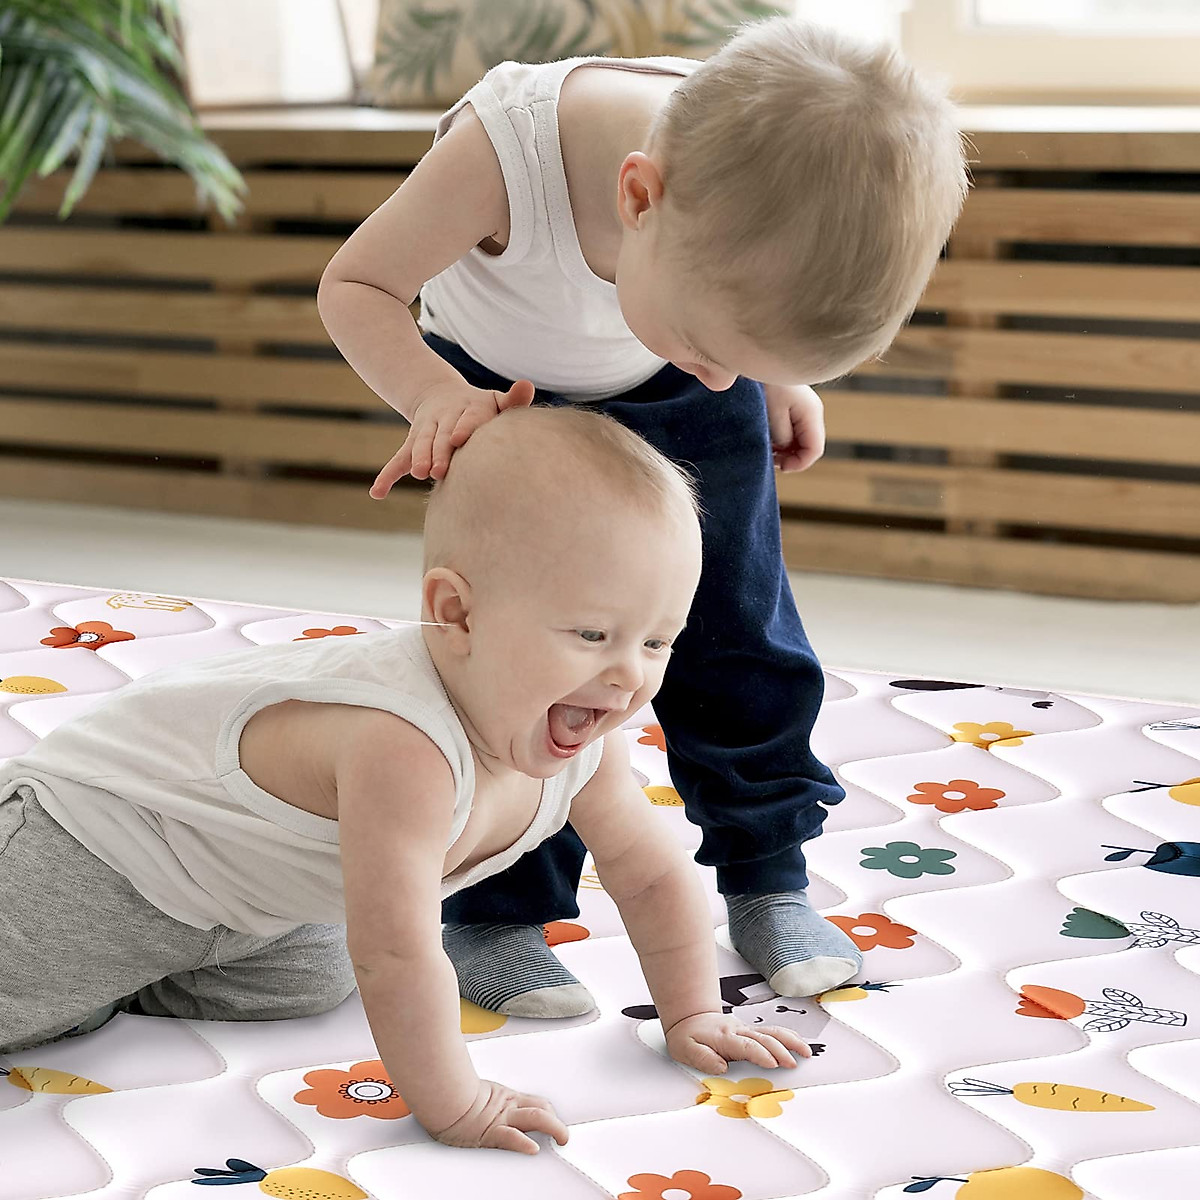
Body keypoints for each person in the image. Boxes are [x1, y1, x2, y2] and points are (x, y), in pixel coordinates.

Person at [317, 16, 968, 1017]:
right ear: (636, 198)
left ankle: (768, 875)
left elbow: (733, 315)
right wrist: (432, 395)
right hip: (509, 395)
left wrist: (769, 370)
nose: (726, 378)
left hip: (661, 369)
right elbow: (356, 285)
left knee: (740, 626)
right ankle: (496, 910)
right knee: (526, 654)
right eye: (724, 349)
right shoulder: (504, 153)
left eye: (747, 358)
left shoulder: (744, 184)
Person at [0, 406, 810, 1154]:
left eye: (658, 642)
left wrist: (694, 1014)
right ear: (456, 614)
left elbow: (651, 875)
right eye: (593, 634)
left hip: (250, 906)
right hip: (91, 854)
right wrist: (456, 1103)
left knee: (312, 984)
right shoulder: (403, 744)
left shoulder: (584, 743)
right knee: (21, 1008)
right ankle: (84, 967)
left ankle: (120, 980)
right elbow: (397, 954)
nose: (628, 674)